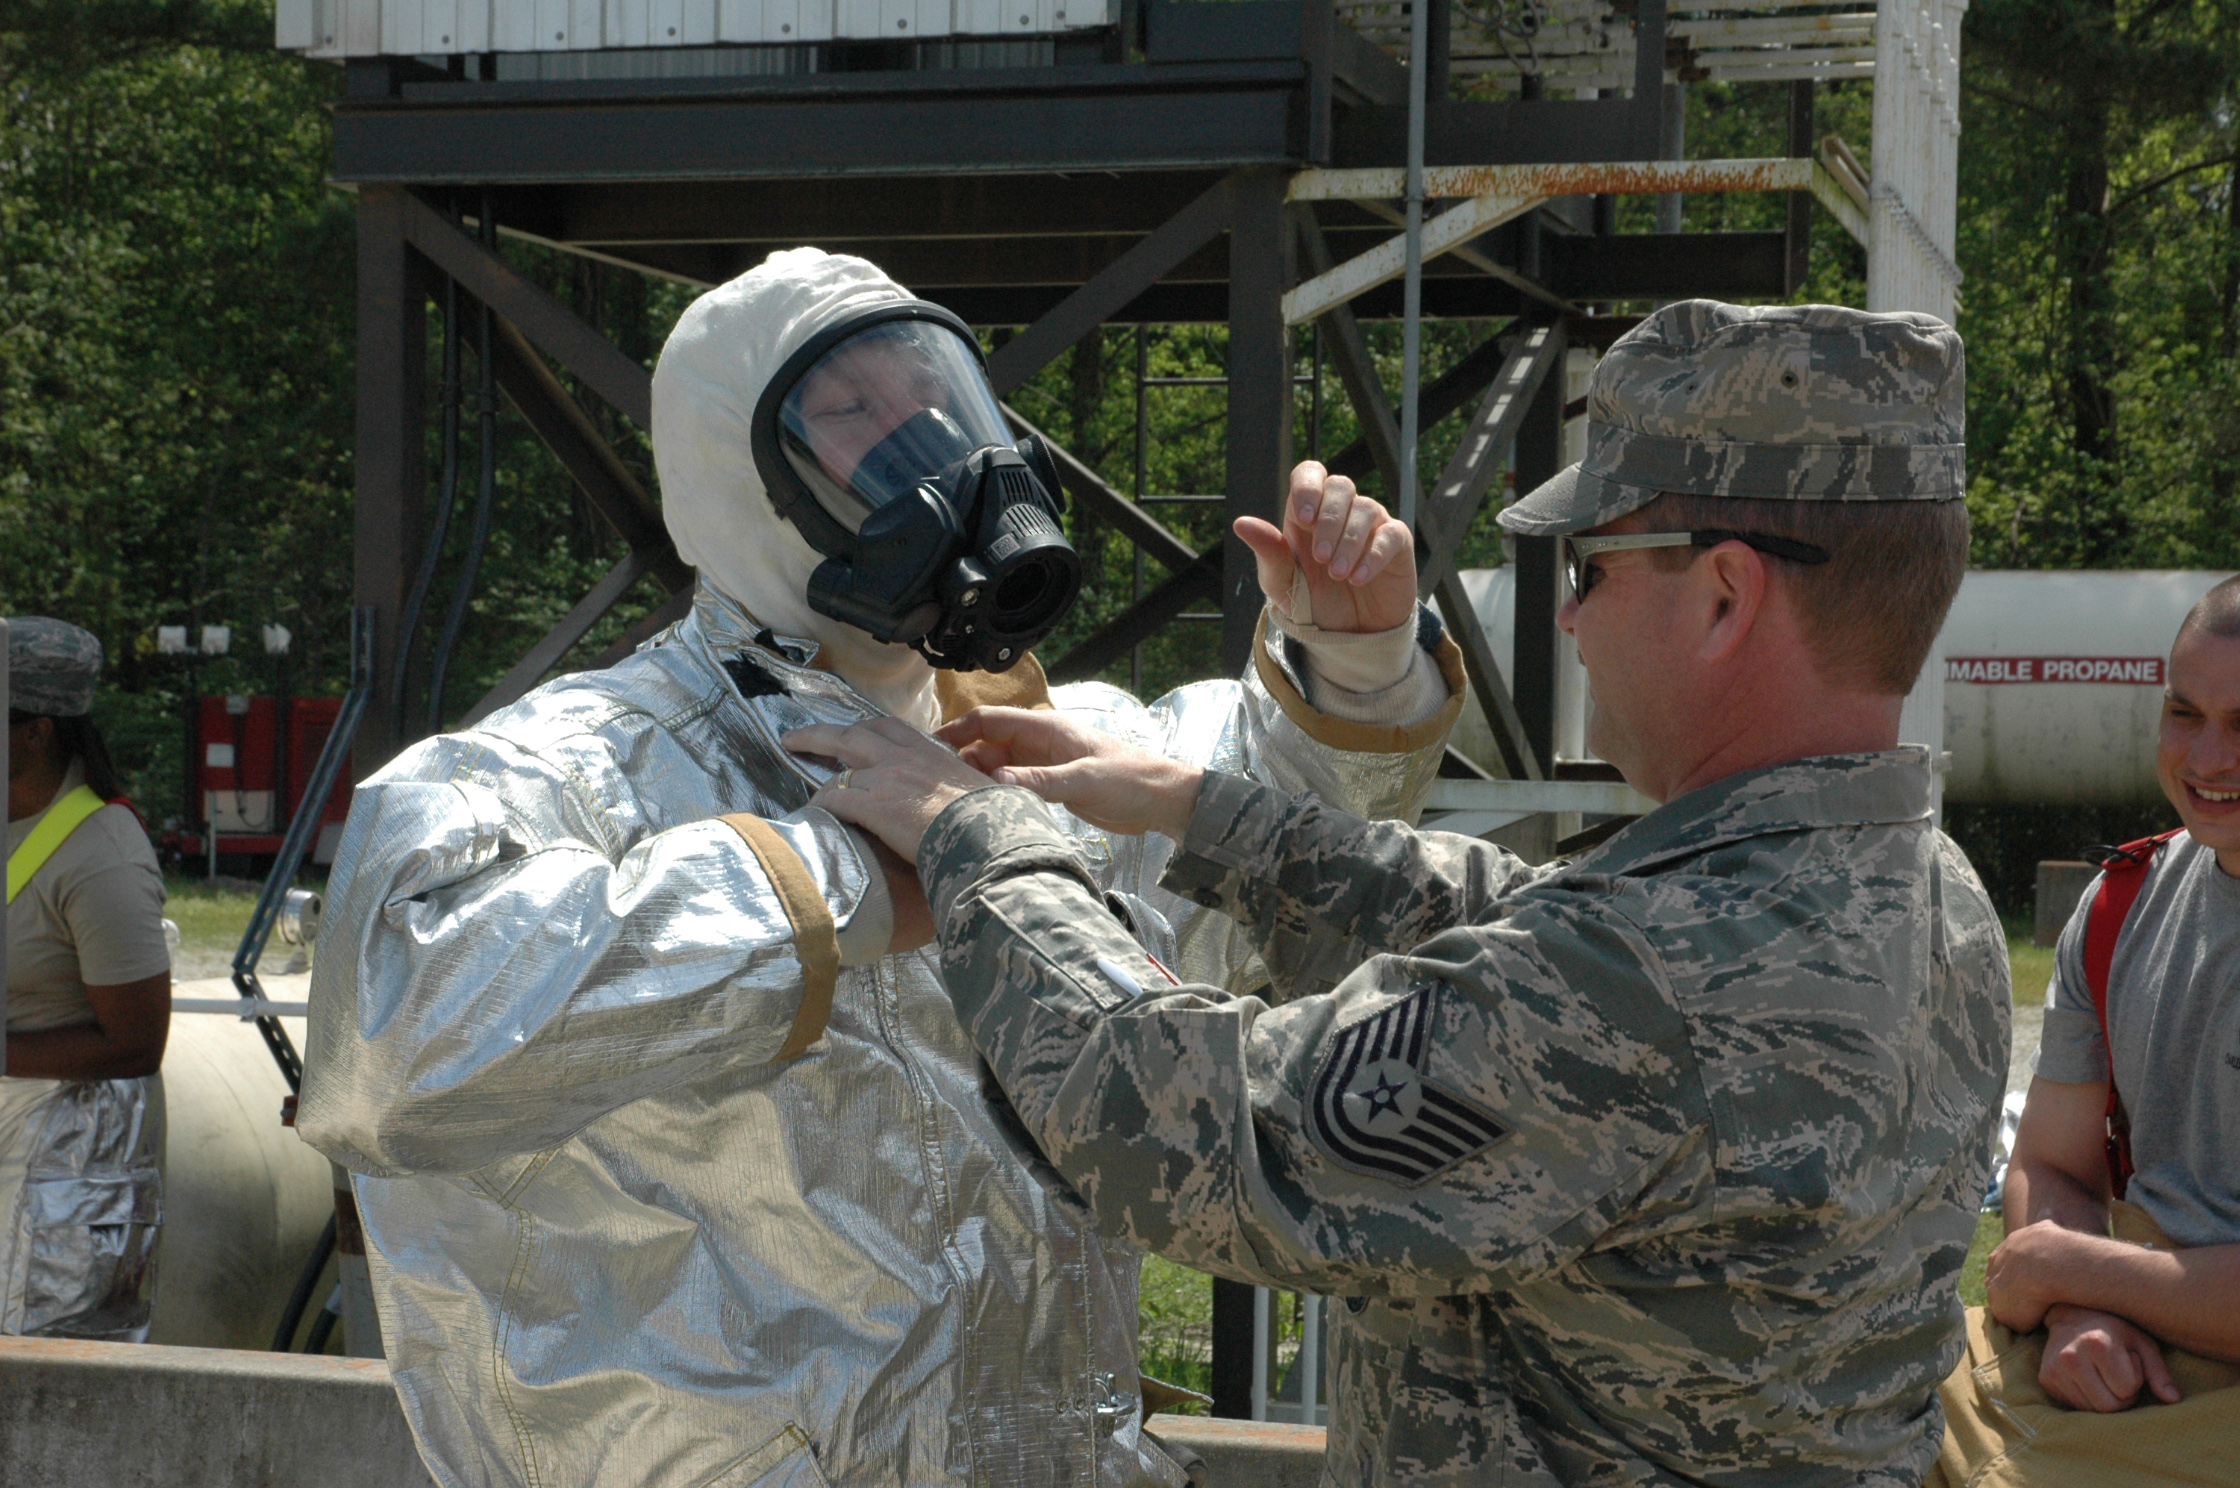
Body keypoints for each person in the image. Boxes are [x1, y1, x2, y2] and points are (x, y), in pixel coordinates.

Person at [295, 248, 1463, 1488]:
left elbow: (1268, 873)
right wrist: (822, 887)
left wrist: (1356, 663)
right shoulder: (572, 773)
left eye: (935, 400)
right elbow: (388, 1045)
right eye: (851, 412)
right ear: (732, 476)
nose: (922, 446)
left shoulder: (1033, 750)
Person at [797, 300, 2014, 1487]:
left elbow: (1161, 1120)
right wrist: (1196, 806)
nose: (1567, 616)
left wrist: (976, 841)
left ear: (1723, 595)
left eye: (1589, 568)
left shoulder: (1643, 986)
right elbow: (1519, 908)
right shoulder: (1919, 888)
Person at [1924, 574, 2240, 1486]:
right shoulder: (2119, 905)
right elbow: (2055, 1164)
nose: (2208, 757)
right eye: (2185, 713)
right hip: (2120, 1342)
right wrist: (2077, 1319)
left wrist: (2076, 1274)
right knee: (1848, 1408)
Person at [4, 616, 170, 1340]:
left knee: (41, 1393)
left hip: (60, 1171)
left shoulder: (101, 853)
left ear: (38, 731)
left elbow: (135, 1045)